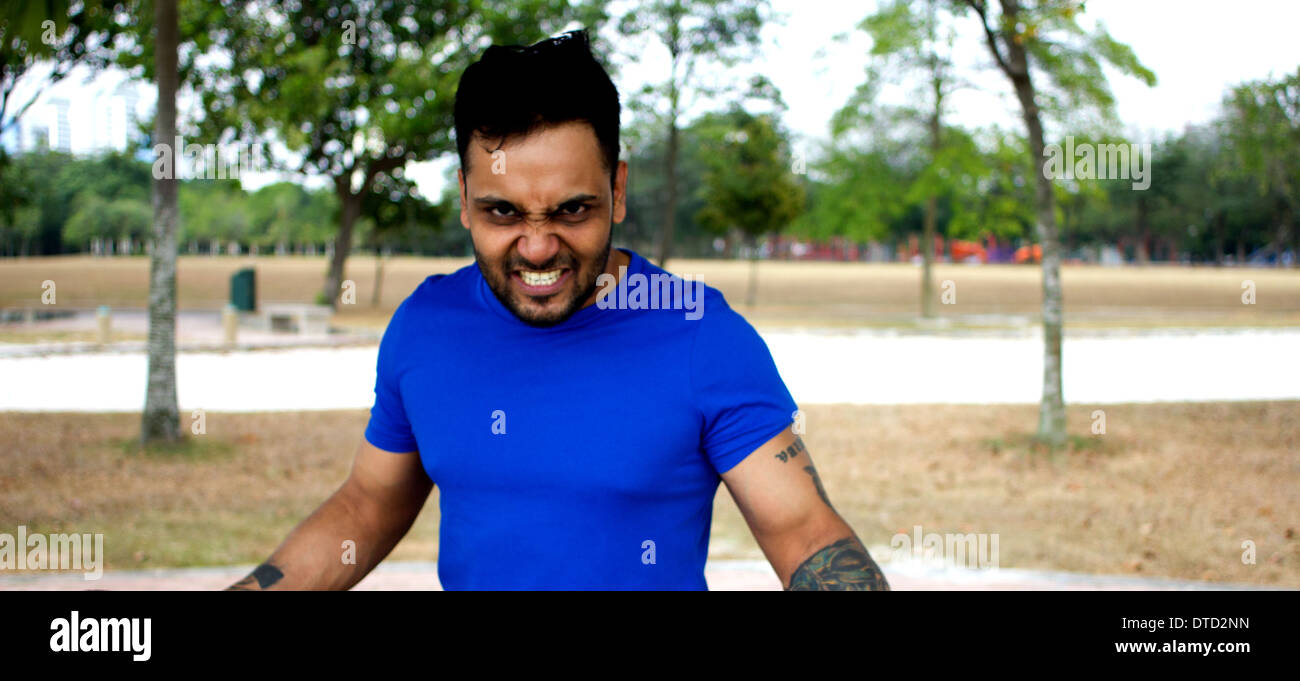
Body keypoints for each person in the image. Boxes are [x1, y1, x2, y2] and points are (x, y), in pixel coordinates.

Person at [228, 29, 888, 591]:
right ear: (463, 197)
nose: (539, 247)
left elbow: (806, 536)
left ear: (618, 188)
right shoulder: (426, 327)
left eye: (572, 209)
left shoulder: (701, 336)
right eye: (502, 212)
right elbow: (366, 504)